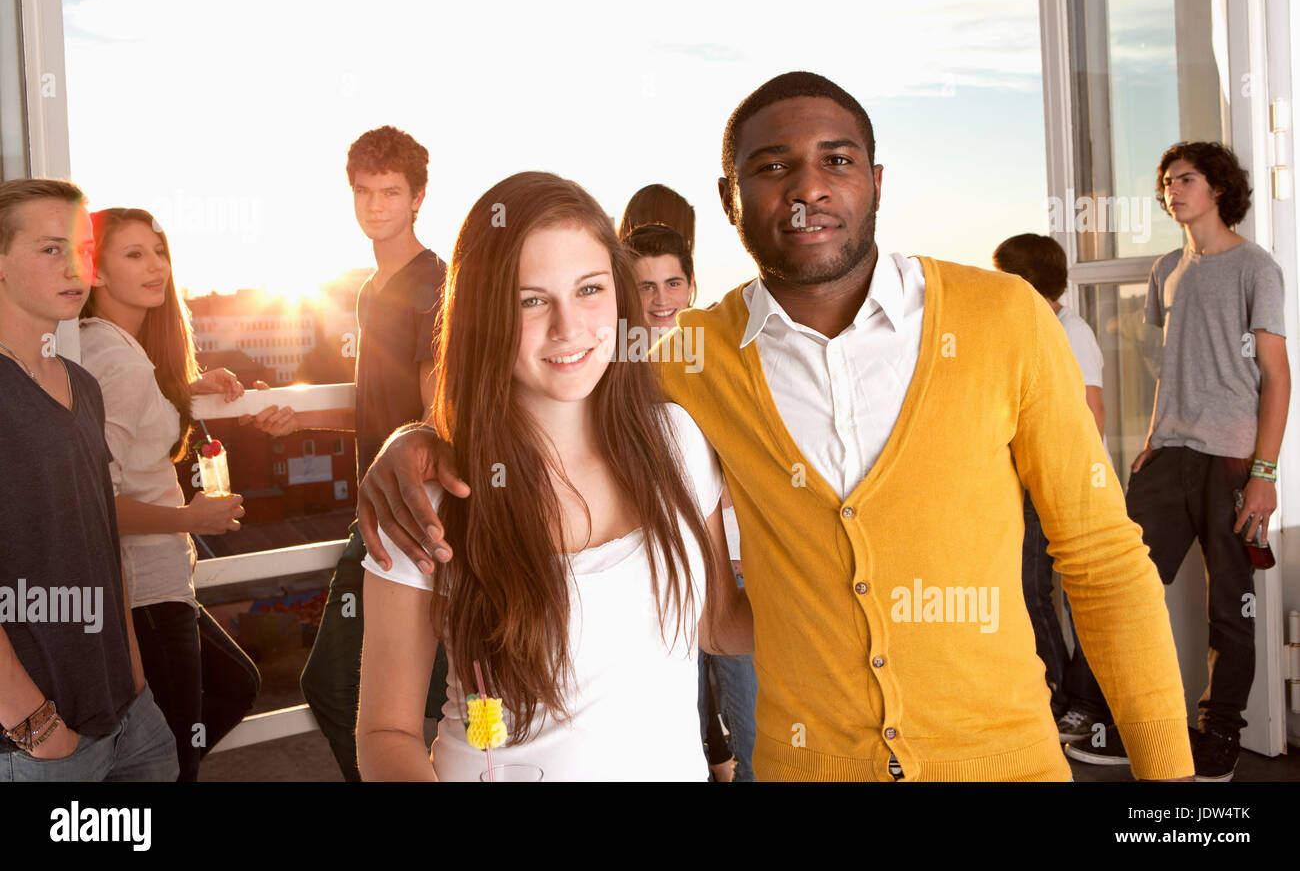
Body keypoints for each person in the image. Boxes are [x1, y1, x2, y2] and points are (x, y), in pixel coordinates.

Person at [360, 72, 1194, 781]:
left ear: (876, 179)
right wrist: (416, 440)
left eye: (837, 161)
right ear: (730, 200)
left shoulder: (1003, 320)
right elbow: (542, 381)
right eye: (772, 168)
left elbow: (1103, 561)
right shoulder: (688, 360)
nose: (808, 189)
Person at [355, 172, 752, 780]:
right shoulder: (429, 498)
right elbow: (387, 731)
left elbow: (721, 626)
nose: (569, 327)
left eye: (589, 289)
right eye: (531, 299)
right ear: (484, 315)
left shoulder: (677, 442)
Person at [1060, 142, 1289, 781]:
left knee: (1231, 606)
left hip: (1232, 461)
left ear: (1217, 188)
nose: (1171, 191)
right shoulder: (1167, 269)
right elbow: (1176, 362)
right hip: (1170, 456)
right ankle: (1111, 717)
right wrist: (1157, 438)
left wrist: (1264, 476)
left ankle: (1220, 736)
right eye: (1165, 182)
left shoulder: (1256, 268)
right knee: (1121, 588)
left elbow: (1276, 374)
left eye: (1184, 180)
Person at [0, 178, 177, 781]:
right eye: (51, 249)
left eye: (80, 249)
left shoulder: (85, 385)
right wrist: (34, 727)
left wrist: (131, 672)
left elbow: (101, 536)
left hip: (129, 716)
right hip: (38, 743)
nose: (74, 265)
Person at [77, 206, 261, 781]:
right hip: (146, 598)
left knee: (234, 684)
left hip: (156, 591)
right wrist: (190, 516)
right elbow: (93, 503)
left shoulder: (107, 348)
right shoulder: (118, 361)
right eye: (133, 255)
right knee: (176, 761)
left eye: (158, 252)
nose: (156, 265)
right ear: (97, 273)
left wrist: (182, 388)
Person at [289, 126, 450, 782]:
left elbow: (434, 420)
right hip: (379, 513)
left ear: (417, 198)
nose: (376, 205)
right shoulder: (368, 288)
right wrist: (293, 420)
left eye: (391, 192)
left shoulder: (432, 285)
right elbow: (375, 411)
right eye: (364, 190)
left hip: (407, 514)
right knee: (435, 691)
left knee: (334, 685)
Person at [624, 214, 759, 783]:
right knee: (685, 729)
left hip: (730, 561)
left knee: (753, 721)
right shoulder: (608, 366)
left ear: (692, 284)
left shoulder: (724, 351)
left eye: (672, 283)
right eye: (645, 286)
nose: (660, 299)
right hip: (652, 575)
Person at [992, 233, 1105, 720]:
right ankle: (1057, 696)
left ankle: (1064, 699)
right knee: (1030, 588)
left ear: (1025, 281)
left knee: (1039, 588)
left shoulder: (1070, 330)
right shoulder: (1035, 325)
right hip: (1034, 481)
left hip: (1061, 484)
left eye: (1002, 276)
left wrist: (1066, 482)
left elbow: (1092, 414)